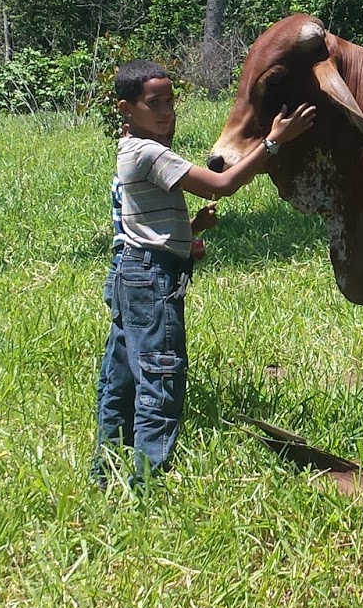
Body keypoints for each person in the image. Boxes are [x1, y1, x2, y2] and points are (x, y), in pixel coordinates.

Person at [93, 59, 315, 490]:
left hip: (130, 273)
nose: (166, 111)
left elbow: (139, 227)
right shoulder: (149, 152)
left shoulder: (128, 152)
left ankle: (108, 473)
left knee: (120, 378)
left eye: (170, 102)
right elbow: (222, 184)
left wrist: (190, 230)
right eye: (153, 103)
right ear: (126, 109)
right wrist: (272, 142)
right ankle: (146, 484)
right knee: (160, 377)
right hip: (149, 280)